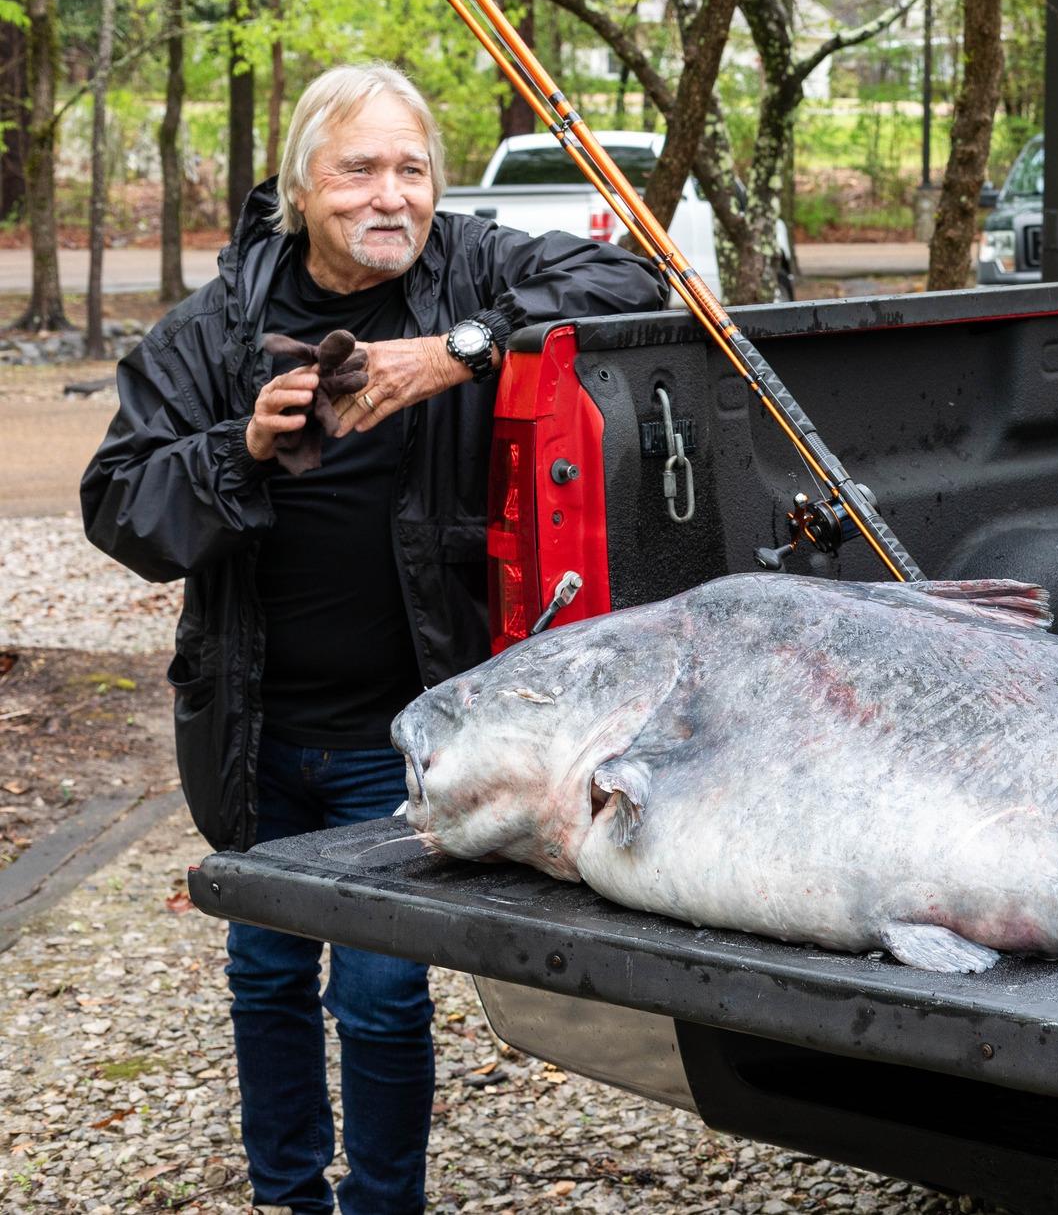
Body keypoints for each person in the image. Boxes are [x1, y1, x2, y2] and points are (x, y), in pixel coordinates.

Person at [80, 63, 667, 1214]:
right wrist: (237, 447)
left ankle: (384, 1202)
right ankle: (287, 1194)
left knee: (388, 994)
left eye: (412, 168)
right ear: (302, 187)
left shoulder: (473, 266)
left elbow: (632, 276)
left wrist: (461, 347)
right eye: (358, 169)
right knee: (265, 979)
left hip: (402, 730)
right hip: (254, 724)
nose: (390, 195)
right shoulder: (214, 329)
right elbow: (119, 507)